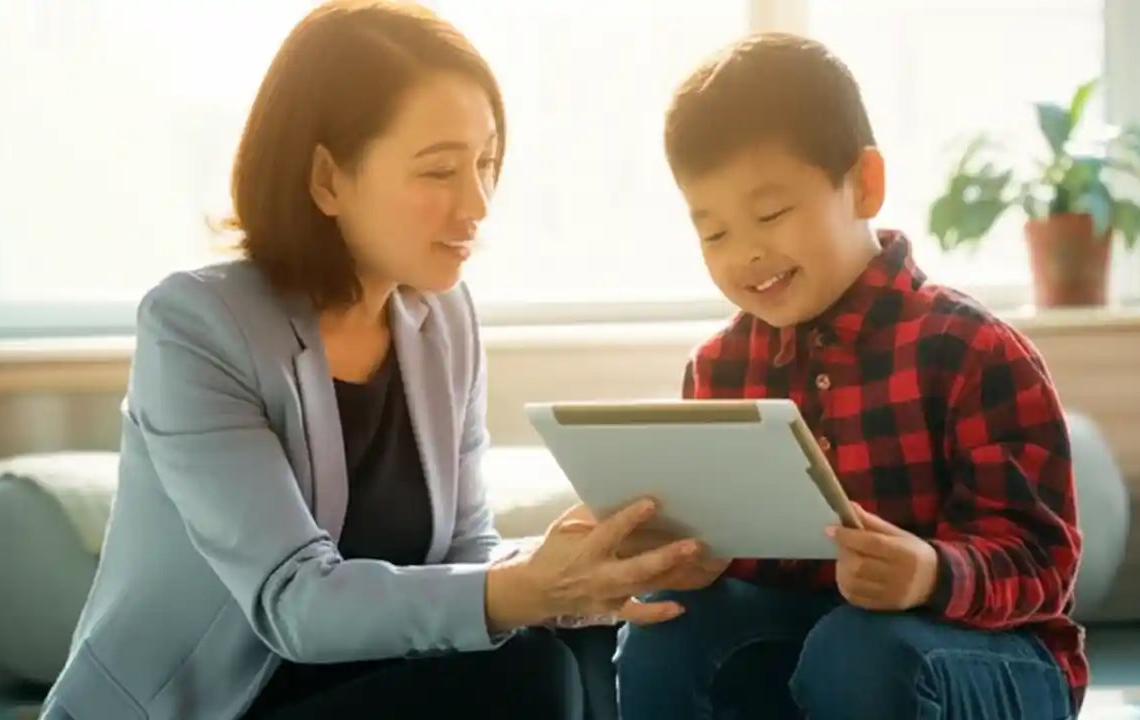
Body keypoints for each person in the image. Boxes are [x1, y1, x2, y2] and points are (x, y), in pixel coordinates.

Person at [39, 3, 710, 719]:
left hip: (369, 684)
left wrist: (583, 567)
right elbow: (293, 601)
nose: (477, 203)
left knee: (589, 645)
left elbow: (462, 551)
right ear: (326, 179)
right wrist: (525, 590)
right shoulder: (198, 327)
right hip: (224, 706)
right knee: (528, 678)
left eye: (485, 163)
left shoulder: (441, 317)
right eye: (440, 170)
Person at [613, 33, 1086, 719]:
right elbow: (737, 562)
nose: (745, 253)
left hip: (992, 655)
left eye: (771, 214)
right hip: (818, 645)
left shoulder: (970, 348)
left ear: (864, 184)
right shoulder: (719, 368)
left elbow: (1043, 563)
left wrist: (930, 572)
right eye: (713, 233)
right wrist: (694, 560)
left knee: (858, 647)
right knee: (666, 620)